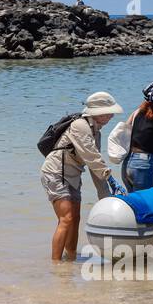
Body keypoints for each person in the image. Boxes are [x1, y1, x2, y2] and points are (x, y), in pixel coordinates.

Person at [41, 91, 125, 261]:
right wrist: (110, 177)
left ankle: (70, 259)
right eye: (108, 112)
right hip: (55, 172)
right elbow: (92, 158)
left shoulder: (97, 133)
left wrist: (106, 198)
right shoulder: (80, 125)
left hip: (73, 176)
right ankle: (56, 265)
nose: (111, 116)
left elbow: (95, 167)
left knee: (76, 218)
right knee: (66, 218)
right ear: (97, 112)